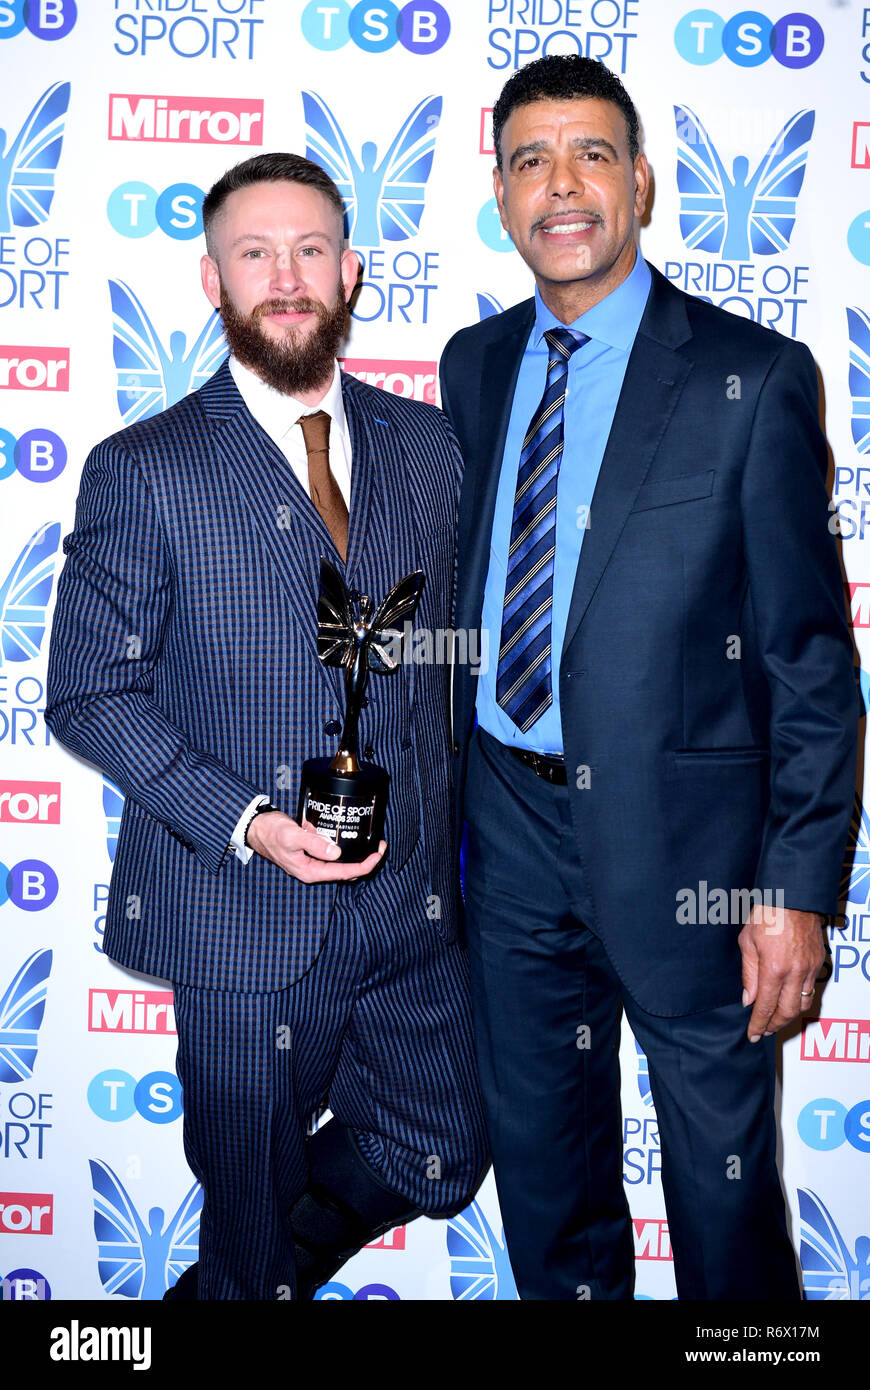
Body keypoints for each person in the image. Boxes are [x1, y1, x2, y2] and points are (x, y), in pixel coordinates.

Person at [439, 55, 858, 1300]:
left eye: (591, 155)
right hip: (506, 840)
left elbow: (810, 661)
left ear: (644, 183)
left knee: (725, 1207)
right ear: (502, 196)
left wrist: (795, 890)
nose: (560, 186)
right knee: (547, 1184)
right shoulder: (475, 366)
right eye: (529, 160)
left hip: (697, 866)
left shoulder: (753, 377)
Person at [46, 152, 486, 1301]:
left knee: (446, 1143)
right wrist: (245, 820)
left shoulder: (430, 450)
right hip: (240, 919)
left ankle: (231, 1289)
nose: (284, 278)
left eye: (308, 252)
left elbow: (444, 669)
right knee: (247, 1200)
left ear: (351, 272)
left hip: (412, 908)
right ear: (213, 280)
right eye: (255, 253)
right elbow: (89, 690)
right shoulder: (143, 468)